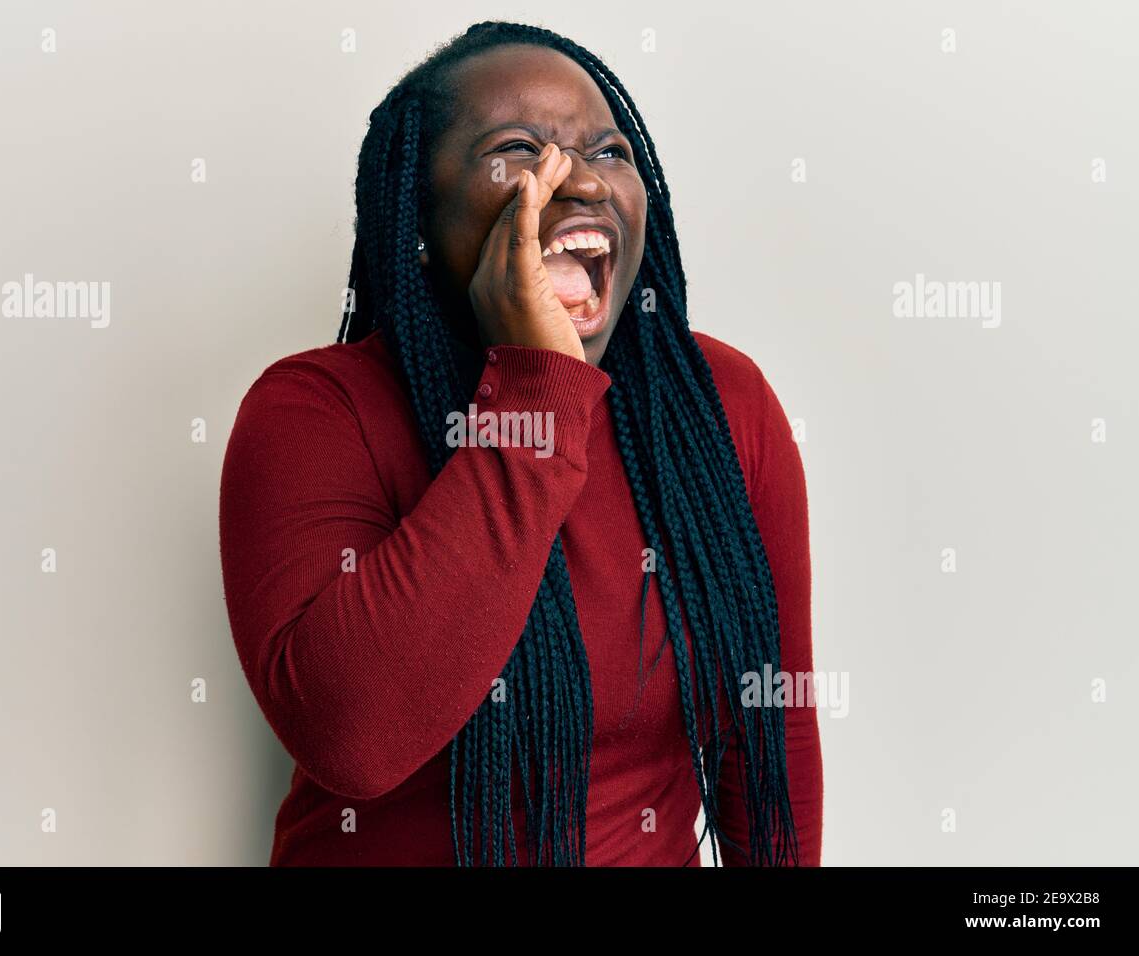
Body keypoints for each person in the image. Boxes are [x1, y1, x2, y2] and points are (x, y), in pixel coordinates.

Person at [218, 20, 823, 866]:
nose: (578, 179)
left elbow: (772, 731)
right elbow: (353, 738)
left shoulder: (723, 406)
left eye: (610, 151)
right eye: (518, 147)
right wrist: (537, 386)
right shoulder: (315, 411)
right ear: (419, 220)